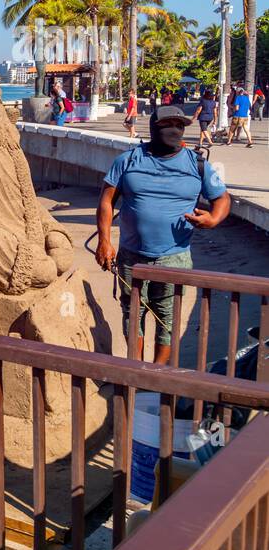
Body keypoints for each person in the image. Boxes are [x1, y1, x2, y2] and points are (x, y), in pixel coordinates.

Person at [96, 105, 231, 364]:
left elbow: (222, 198)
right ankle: (136, 366)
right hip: (131, 255)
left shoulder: (197, 163)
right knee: (132, 314)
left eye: (179, 126)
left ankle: (157, 374)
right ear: (154, 128)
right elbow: (106, 200)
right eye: (167, 125)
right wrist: (104, 241)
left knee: (167, 318)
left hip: (175, 257)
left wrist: (213, 219)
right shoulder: (128, 160)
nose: (174, 131)